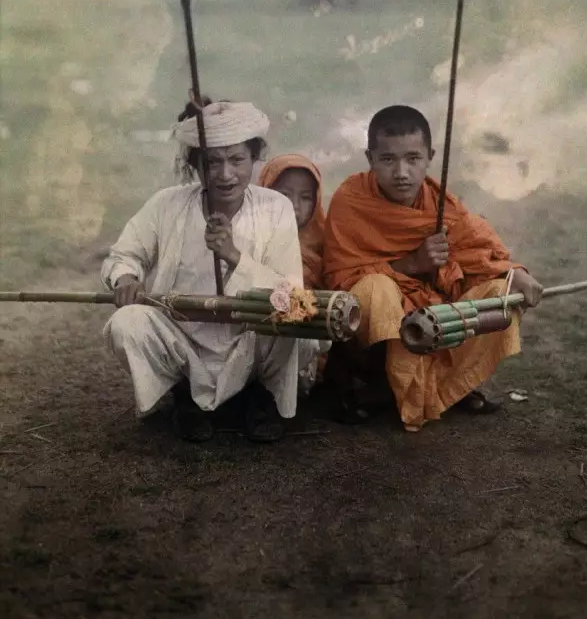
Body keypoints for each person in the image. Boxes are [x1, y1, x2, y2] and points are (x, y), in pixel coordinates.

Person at [102, 99, 323, 444]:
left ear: (254, 157)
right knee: (126, 324)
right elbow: (125, 254)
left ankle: (259, 396)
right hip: (184, 336)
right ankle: (184, 395)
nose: (225, 174)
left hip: (251, 339)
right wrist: (125, 277)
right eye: (212, 162)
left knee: (300, 322)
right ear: (195, 165)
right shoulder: (167, 204)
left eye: (237, 159)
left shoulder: (275, 208)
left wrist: (235, 256)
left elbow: (291, 295)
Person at [322, 104, 543, 432]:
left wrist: (517, 274)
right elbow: (340, 279)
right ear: (370, 159)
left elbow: (485, 253)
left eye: (412, 159)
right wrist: (412, 264)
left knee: (500, 294)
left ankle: (443, 387)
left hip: (435, 319)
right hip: (376, 338)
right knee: (374, 291)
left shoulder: (443, 207)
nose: (401, 172)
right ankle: (387, 384)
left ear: (429, 157)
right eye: (388, 159)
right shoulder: (351, 200)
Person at [258, 154, 329, 392]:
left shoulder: (325, 242)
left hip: (306, 338)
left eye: (305, 197)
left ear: (316, 201)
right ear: (265, 192)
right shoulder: (251, 238)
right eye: (284, 195)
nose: (294, 205)